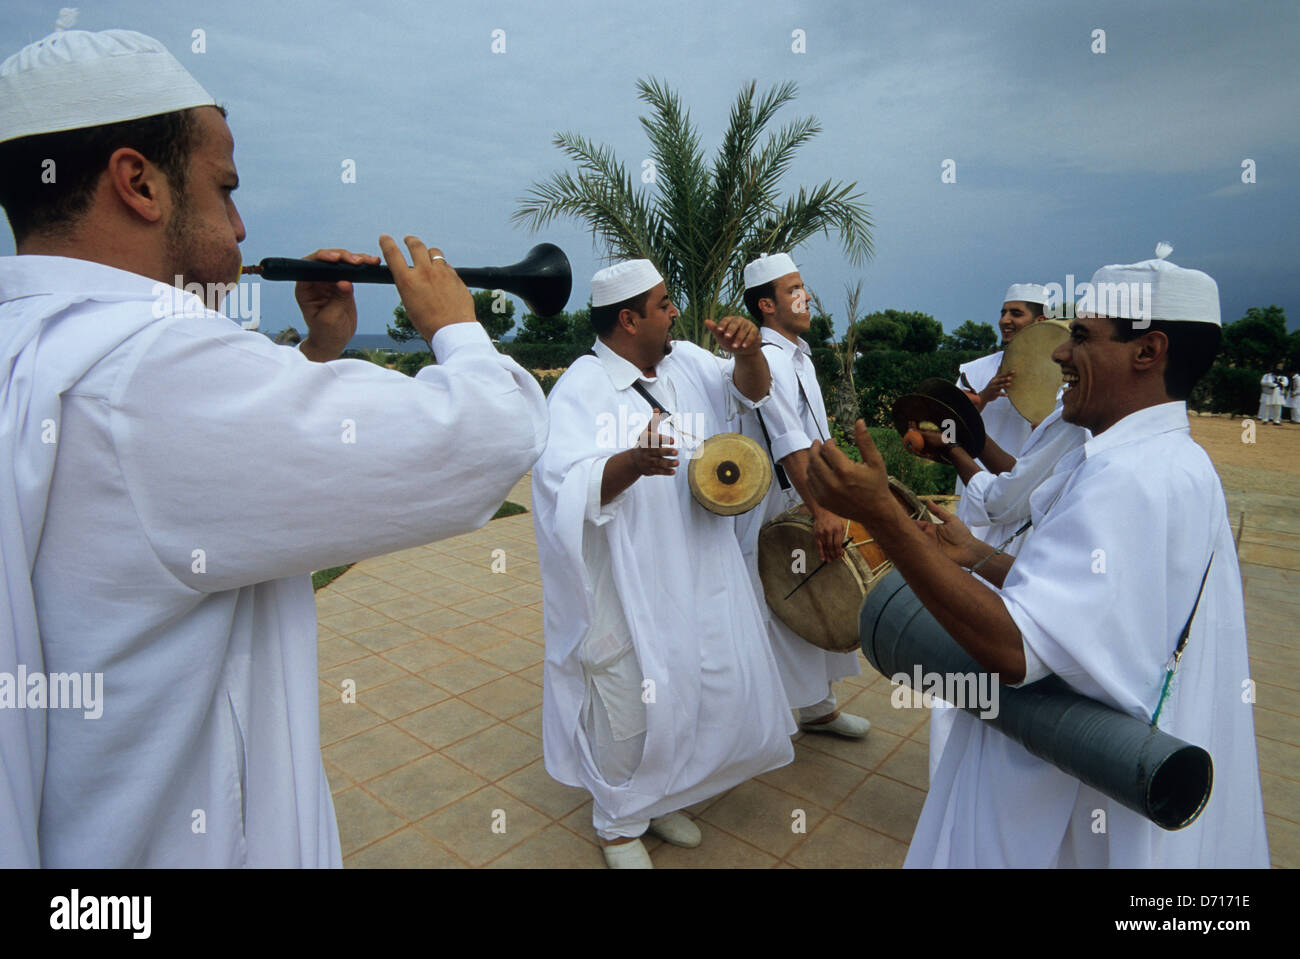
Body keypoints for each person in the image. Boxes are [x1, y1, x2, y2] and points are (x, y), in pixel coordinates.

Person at [0, 29, 548, 867]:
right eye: (224, 188)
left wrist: (312, 358)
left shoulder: (38, 350)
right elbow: (485, 441)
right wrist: (456, 326)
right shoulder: (148, 365)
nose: (243, 224)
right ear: (138, 183)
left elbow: (187, 484)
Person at [806, 252, 1269, 867]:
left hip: (1056, 787)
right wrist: (981, 558)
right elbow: (1094, 602)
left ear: (1148, 351)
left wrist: (887, 520)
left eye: (1081, 336)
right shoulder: (1170, 460)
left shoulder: (1128, 475)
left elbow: (1015, 650)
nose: (1056, 353)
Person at [532, 260, 795, 868]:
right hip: (628, 576)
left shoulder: (687, 363)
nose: (675, 311)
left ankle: (668, 791)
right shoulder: (582, 385)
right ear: (628, 319)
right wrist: (634, 462)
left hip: (701, 558)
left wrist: (752, 352)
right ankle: (617, 822)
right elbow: (560, 487)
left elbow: (752, 391)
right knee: (628, 695)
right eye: (663, 303)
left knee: (696, 680)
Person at [732, 253, 869, 738]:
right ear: (766, 305)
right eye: (794, 290)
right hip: (776, 502)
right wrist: (821, 511)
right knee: (777, 601)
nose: (805, 296)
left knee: (815, 596)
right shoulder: (765, 358)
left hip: (810, 493)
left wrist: (846, 488)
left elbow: (818, 436)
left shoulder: (799, 356)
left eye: (803, 287)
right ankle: (764, 719)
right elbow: (788, 443)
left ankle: (817, 708)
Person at [953, 284, 1048, 498]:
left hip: (1027, 493)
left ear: (1040, 322)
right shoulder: (973, 371)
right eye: (1003, 313)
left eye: (1016, 313)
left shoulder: (1062, 374)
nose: (1005, 320)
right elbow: (949, 427)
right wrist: (984, 396)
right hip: (975, 489)